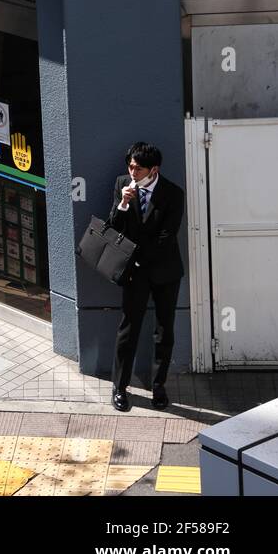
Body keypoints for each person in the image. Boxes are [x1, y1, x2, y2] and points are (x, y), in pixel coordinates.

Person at [108, 142, 183, 412]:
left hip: (165, 271)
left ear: (154, 169)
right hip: (134, 272)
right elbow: (113, 227)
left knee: (164, 330)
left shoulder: (173, 193)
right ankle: (119, 387)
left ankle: (159, 387)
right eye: (129, 166)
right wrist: (124, 203)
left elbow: (167, 236)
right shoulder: (121, 185)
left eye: (138, 168)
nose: (132, 171)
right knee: (128, 328)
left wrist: (139, 256)